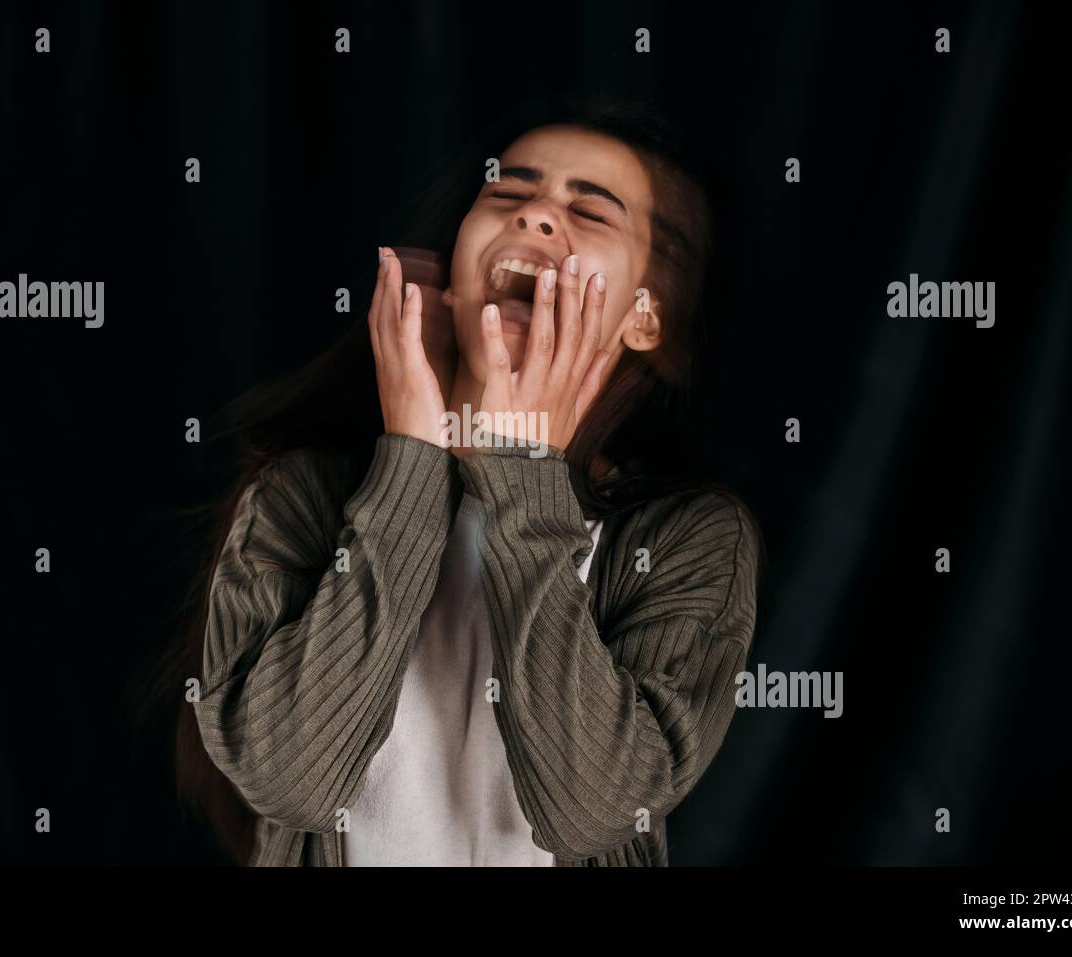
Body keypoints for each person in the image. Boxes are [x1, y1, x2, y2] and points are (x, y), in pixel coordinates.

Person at [171, 98, 765, 866]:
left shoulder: (692, 540)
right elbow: (290, 779)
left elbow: (591, 810)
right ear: (453, 273)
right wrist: (411, 462)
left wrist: (522, 468)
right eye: (510, 195)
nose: (538, 217)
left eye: (590, 211)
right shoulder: (300, 495)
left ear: (645, 316)